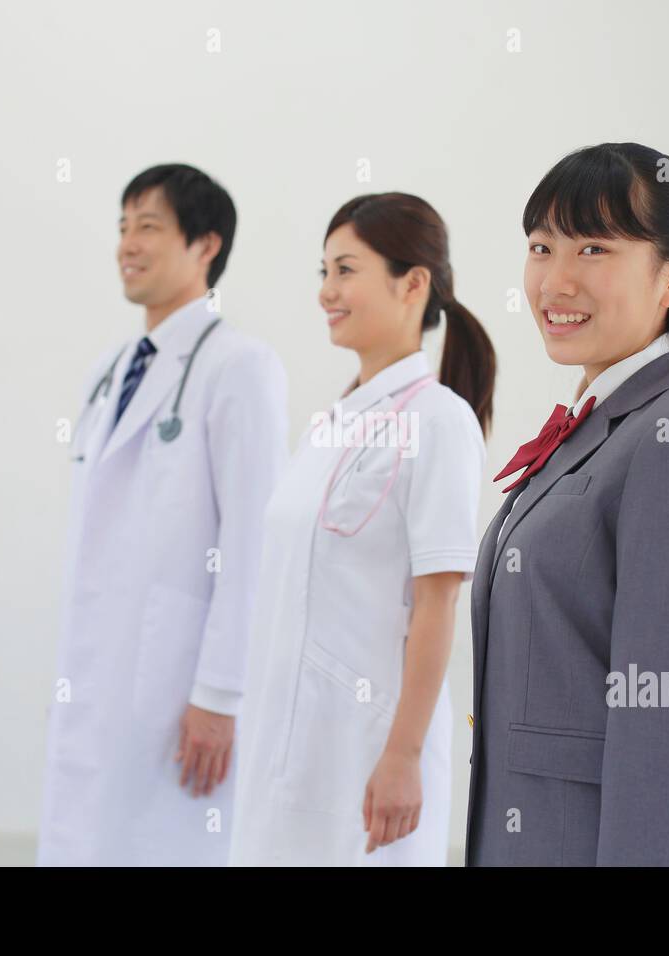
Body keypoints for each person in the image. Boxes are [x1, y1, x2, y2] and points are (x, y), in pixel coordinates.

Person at [465, 143, 669, 866]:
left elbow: (664, 714)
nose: (556, 280)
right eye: (541, 247)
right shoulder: (599, 429)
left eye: (594, 247)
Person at [229, 193, 495, 866]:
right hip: (283, 755)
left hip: (368, 762)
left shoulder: (438, 421)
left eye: (346, 270)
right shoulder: (330, 424)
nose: (326, 292)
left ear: (413, 283)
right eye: (322, 272)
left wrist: (403, 756)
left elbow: (437, 601)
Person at [38, 163, 288, 866]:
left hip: (178, 685)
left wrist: (220, 693)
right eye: (122, 226)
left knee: (161, 846)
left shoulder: (240, 367)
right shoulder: (110, 370)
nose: (127, 243)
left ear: (205, 245)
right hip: (98, 671)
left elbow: (252, 546)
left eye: (148, 226)